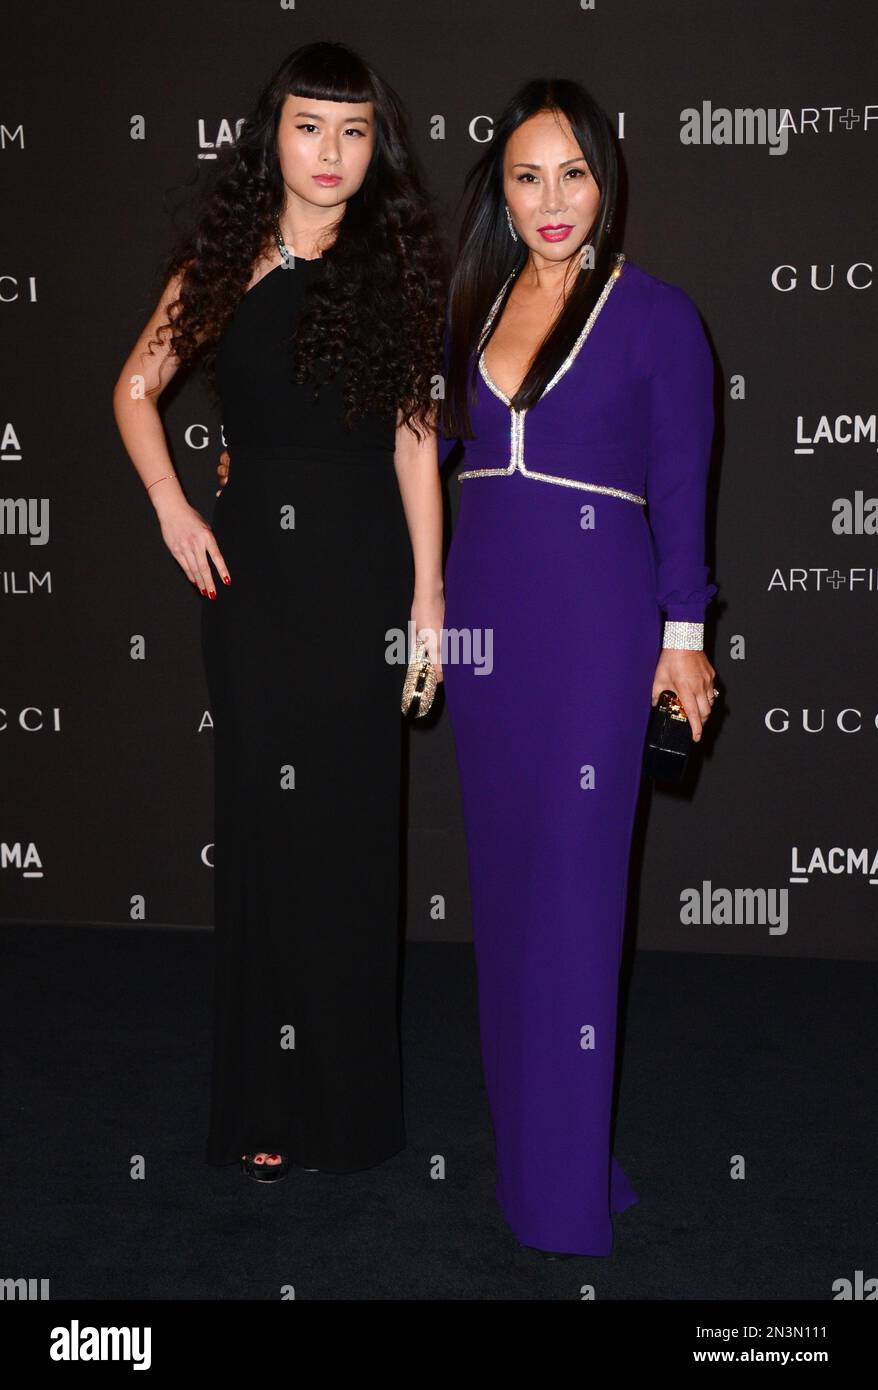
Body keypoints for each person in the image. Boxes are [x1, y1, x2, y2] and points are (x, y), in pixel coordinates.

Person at [112, 41, 446, 1183]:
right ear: (274, 138)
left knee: (350, 832)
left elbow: (415, 444)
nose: (331, 153)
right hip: (253, 586)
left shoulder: (394, 274)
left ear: (375, 148)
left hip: (360, 578)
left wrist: (429, 596)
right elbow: (135, 389)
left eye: (353, 131)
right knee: (264, 827)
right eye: (310, 127)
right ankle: (265, 1095)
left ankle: (346, 1106)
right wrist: (172, 505)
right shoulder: (221, 267)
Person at [437, 80, 720, 1255]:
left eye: (573, 173)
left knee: (571, 894)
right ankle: (544, 1157)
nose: (551, 200)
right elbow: (413, 457)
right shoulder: (470, 306)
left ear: (605, 181)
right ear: (499, 192)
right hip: (482, 627)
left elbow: (683, 491)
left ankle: (558, 1200)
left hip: (598, 630)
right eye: (526, 176)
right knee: (506, 894)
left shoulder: (655, 316)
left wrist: (683, 639)